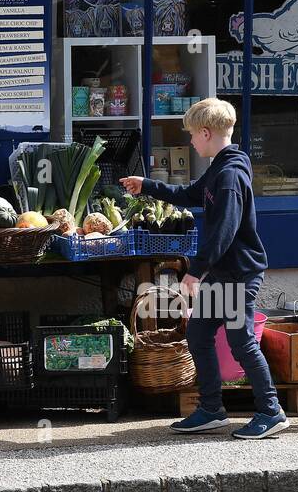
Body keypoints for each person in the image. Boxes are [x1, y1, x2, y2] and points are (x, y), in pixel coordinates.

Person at [121, 98, 288, 439]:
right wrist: (148, 185)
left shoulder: (229, 175)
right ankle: (212, 409)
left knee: (241, 342)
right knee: (198, 334)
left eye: (192, 136)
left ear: (207, 132)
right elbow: (190, 194)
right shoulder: (220, 167)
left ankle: (271, 411)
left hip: (239, 274)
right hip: (224, 274)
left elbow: (223, 231)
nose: (191, 142)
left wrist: (195, 271)